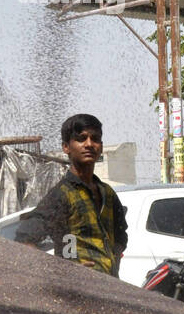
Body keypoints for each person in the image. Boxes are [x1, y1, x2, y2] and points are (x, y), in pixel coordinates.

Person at [15, 113, 127, 276]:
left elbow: (121, 236)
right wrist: (60, 269)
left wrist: (112, 262)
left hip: (109, 288)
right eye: (81, 138)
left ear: (101, 146)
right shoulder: (62, 195)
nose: (89, 144)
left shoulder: (108, 193)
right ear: (66, 147)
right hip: (76, 292)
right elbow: (24, 239)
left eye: (95, 139)